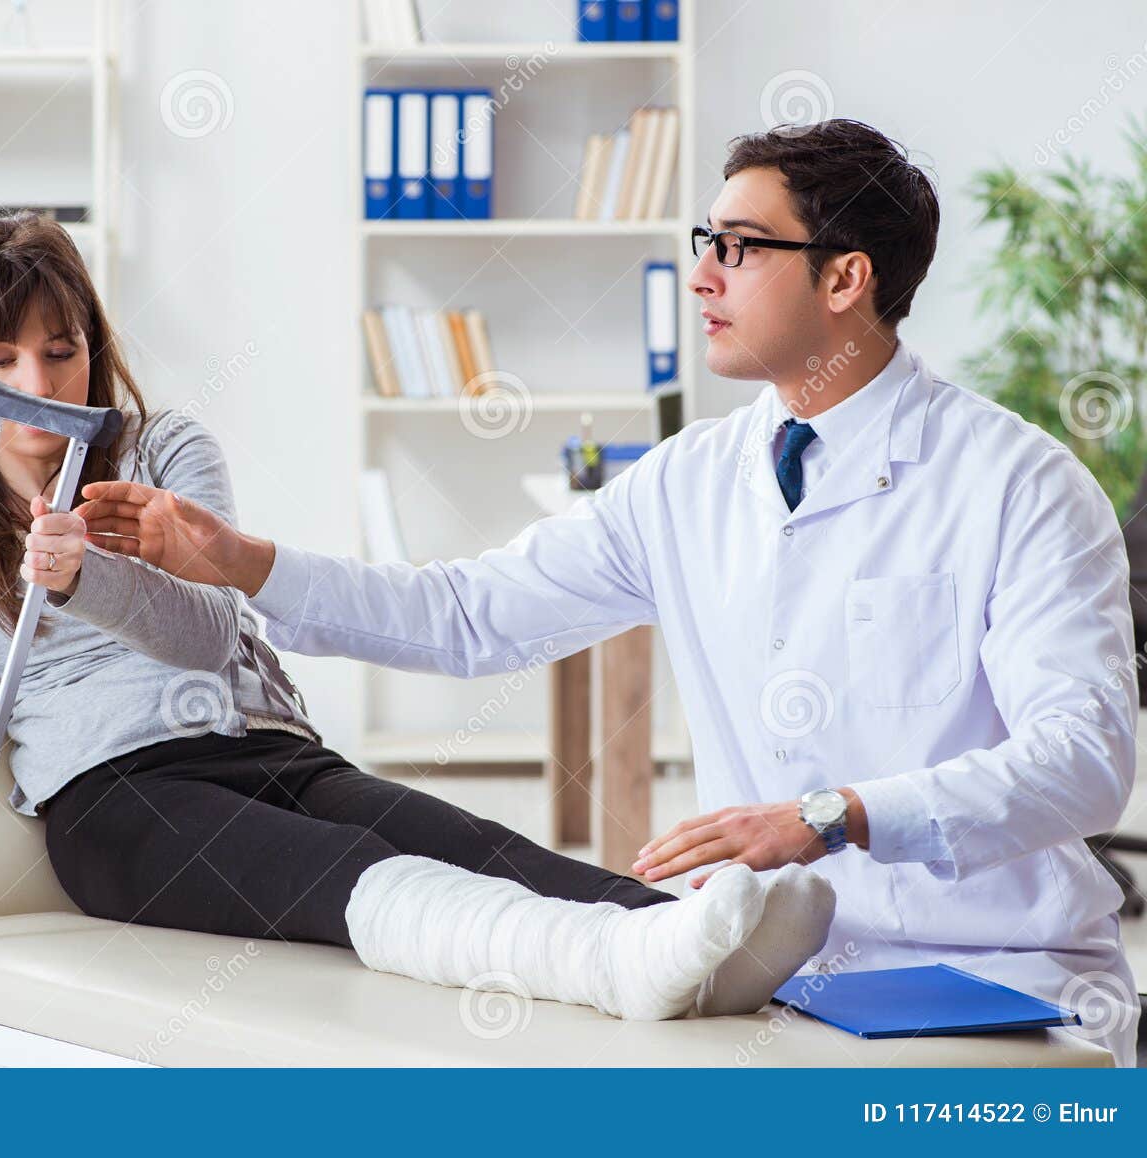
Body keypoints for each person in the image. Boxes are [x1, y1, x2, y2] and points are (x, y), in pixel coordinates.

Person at [75, 121, 1141, 1065]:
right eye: (704, 241)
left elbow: (1085, 759)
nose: (701, 276)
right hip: (783, 979)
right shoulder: (691, 479)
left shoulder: (1019, 485)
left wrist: (834, 817)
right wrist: (242, 561)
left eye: (739, 247)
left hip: (1000, 979)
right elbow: (469, 615)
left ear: (844, 279)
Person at [0, 213, 833, 1027]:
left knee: (471, 842)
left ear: (93, 349)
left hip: (266, 750)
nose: (42, 386)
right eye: (4, 358)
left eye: (63, 352)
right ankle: (619, 964)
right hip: (112, 802)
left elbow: (210, 635)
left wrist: (90, 575)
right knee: (353, 871)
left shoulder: (163, 448)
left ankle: (716, 941)